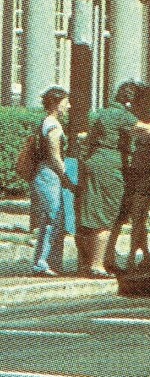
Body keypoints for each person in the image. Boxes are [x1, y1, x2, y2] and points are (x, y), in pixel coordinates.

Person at [77, 81, 150, 278]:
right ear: (130, 101)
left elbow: (85, 139)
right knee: (107, 215)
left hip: (94, 162)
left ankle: (96, 262)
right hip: (110, 165)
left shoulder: (101, 113)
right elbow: (145, 130)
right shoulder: (123, 115)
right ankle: (98, 265)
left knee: (92, 213)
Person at [107, 84, 150, 273]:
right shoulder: (128, 119)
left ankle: (133, 257)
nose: (149, 104)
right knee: (124, 215)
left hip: (148, 173)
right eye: (146, 99)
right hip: (129, 172)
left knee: (139, 215)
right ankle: (132, 257)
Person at [30, 87, 76, 277]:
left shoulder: (47, 122)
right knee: (51, 218)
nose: (68, 105)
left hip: (44, 174)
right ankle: (41, 263)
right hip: (49, 175)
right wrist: (66, 176)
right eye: (65, 102)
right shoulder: (53, 126)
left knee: (53, 218)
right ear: (56, 104)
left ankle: (50, 262)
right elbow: (55, 156)